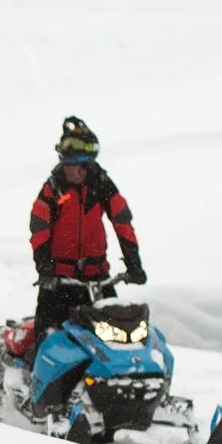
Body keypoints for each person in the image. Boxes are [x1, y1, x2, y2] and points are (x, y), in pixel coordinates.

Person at [27, 116, 147, 356]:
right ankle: (34, 391)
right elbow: (39, 229)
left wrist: (134, 262)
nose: (73, 170)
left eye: (79, 165)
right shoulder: (53, 189)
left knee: (120, 338)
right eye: (68, 164)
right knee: (47, 341)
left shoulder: (101, 184)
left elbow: (122, 221)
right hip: (59, 280)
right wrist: (45, 268)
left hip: (97, 279)